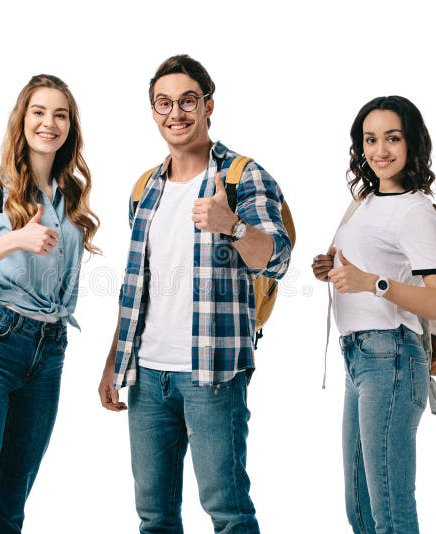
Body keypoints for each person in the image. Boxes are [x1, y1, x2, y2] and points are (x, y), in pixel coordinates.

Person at [97, 54, 291, 534]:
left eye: (187, 101)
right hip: (147, 377)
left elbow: (278, 257)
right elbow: (138, 287)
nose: (175, 113)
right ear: (153, 111)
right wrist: (113, 359)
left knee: (226, 511)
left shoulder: (242, 176)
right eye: (163, 103)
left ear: (208, 105)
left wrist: (233, 224)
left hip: (213, 373)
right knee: (154, 516)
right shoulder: (146, 187)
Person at [0, 74, 99, 533]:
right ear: (21, 120)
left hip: (49, 349)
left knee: (11, 508)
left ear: (71, 126)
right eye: (39, 112)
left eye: (60, 114)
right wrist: (15, 241)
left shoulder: (70, 197)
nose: (50, 123)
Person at [311, 95, 436, 533]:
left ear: (411, 142)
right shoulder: (367, 203)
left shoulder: (416, 210)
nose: (380, 150)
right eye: (370, 140)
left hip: (390, 356)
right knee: (361, 510)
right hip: (358, 357)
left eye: (392, 138)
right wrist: (332, 269)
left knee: (389, 510)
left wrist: (371, 282)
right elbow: (367, 266)